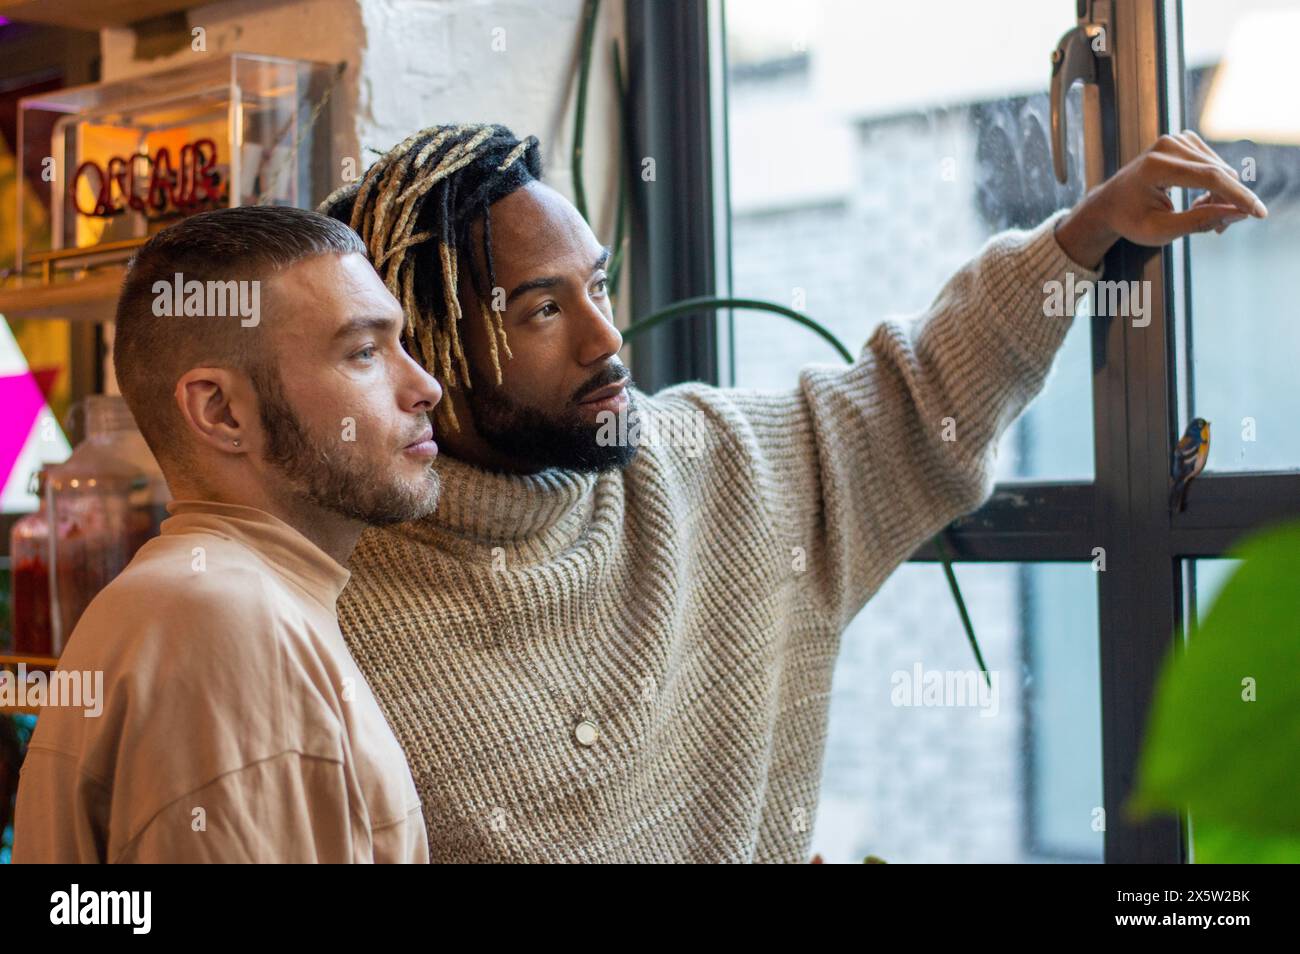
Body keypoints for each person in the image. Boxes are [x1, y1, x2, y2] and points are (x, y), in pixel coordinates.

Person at [322, 123, 1265, 862]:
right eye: (542, 308)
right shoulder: (327, 614)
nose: (606, 338)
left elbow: (918, 400)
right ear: (424, 349)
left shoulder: (703, 461)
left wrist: (1088, 230)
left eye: (599, 284)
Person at [13, 206, 443, 863]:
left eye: (400, 344)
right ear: (221, 411)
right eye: (363, 352)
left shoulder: (219, 597)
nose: (425, 386)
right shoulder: (224, 619)